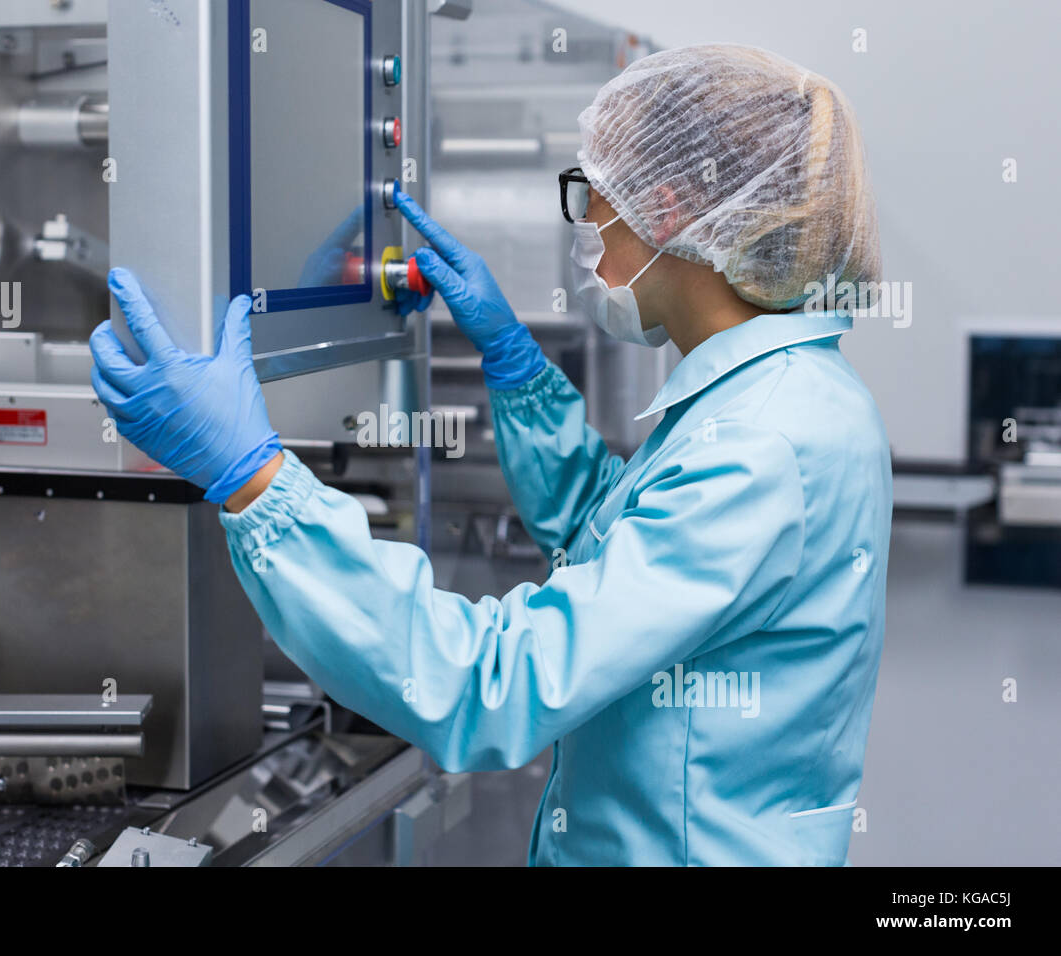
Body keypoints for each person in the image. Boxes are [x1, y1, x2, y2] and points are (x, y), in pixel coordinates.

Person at [89, 44, 891, 866]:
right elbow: (610, 540)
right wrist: (513, 361)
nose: (585, 227)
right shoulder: (783, 397)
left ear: (669, 208)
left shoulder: (765, 439)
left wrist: (255, 481)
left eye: (591, 195)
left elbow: (493, 687)